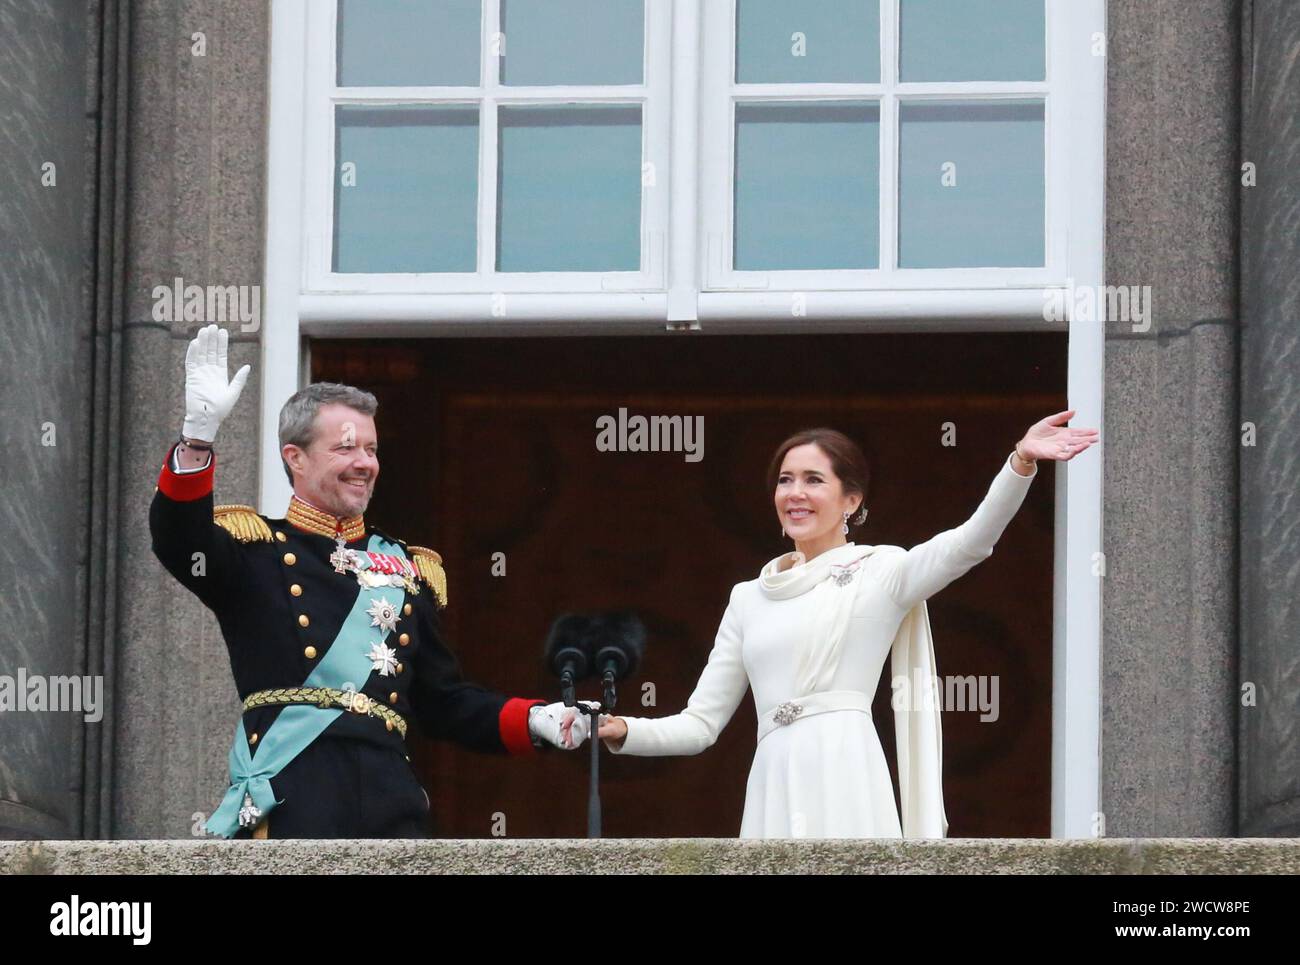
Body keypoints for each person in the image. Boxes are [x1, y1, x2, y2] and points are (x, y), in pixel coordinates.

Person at [151, 325, 591, 839]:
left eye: (372, 449)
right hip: (294, 802)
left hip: (391, 807)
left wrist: (535, 719)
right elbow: (180, 541)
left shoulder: (407, 571)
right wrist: (197, 439)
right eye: (346, 449)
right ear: (296, 458)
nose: (365, 463)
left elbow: (444, 701)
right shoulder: (256, 554)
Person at [591, 416, 1098, 838]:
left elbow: (969, 543)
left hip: (846, 769)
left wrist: (1021, 463)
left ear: (851, 501)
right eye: (785, 480)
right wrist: (621, 729)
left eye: (814, 480)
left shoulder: (881, 571)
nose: (796, 493)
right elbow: (700, 725)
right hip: (772, 778)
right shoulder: (748, 598)